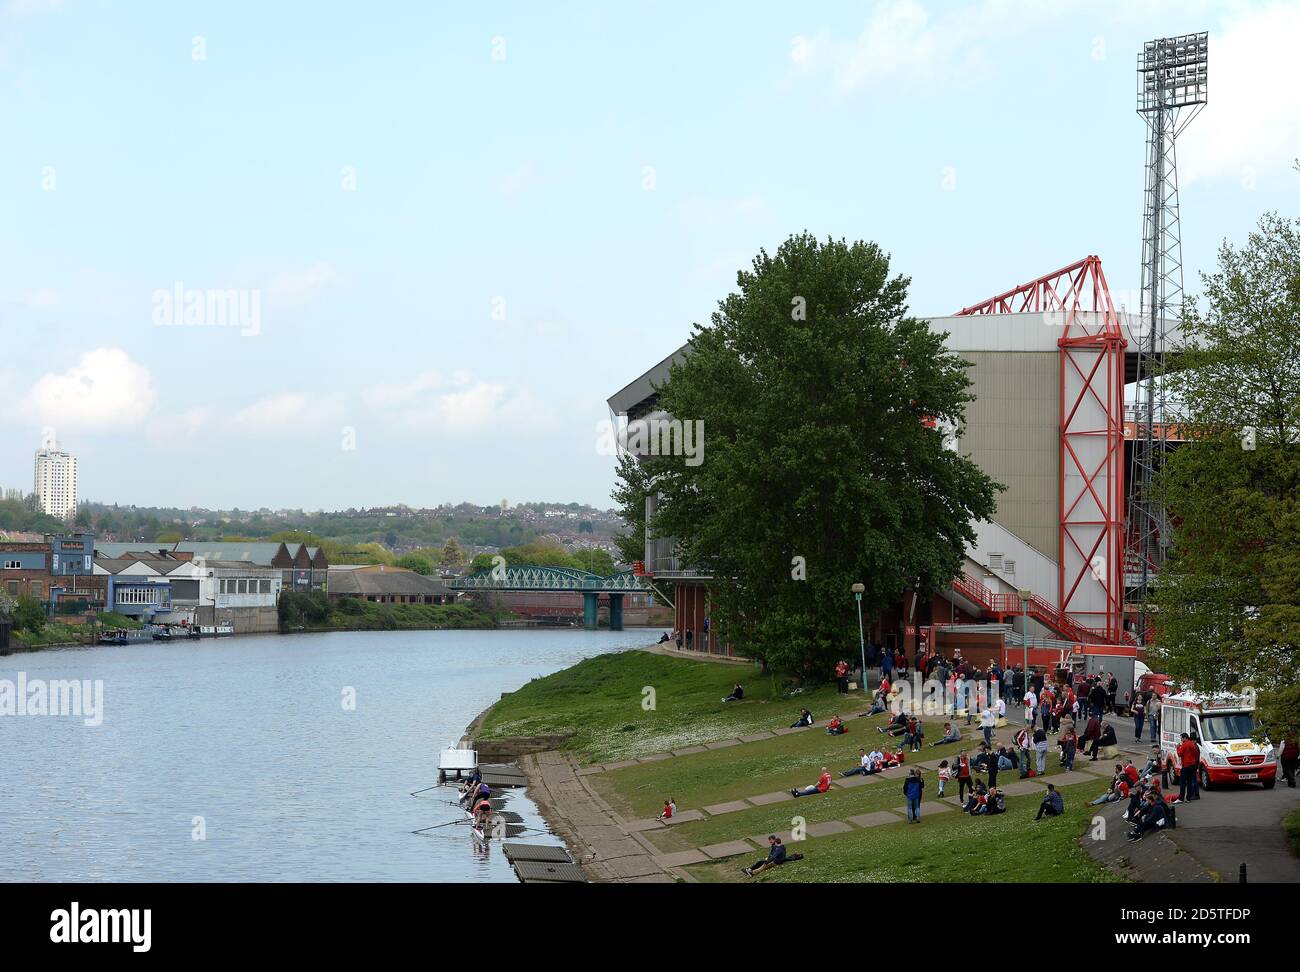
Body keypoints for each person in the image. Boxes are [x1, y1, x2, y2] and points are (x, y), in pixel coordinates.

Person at [1176, 732, 1200, 802]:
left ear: (1184, 738)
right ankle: (1188, 798)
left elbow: (1179, 754)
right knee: (1190, 782)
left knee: (1182, 782)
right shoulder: (1193, 744)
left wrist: (1177, 748)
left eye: (1181, 738)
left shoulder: (1184, 745)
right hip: (1192, 765)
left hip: (1186, 765)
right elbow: (1196, 754)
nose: (1181, 740)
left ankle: (1181, 798)